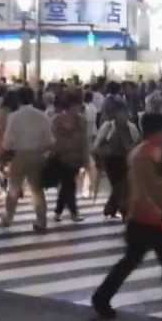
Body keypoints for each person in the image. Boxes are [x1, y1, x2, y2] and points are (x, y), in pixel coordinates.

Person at [92, 112, 162, 319]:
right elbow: (141, 191)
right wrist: (159, 215)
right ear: (158, 131)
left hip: (153, 216)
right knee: (159, 262)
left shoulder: (159, 151)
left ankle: (102, 297)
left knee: (146, 261)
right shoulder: (141, 156)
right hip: (145, 219)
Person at [1, 87, 54, 232]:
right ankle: (41, 221)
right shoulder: (42, 116)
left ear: (18, 99)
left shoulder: (13, 116)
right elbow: (49, 140)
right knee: (37, 190)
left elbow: (8, 141)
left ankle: (8, 218)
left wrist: (4, 153)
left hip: (19, 155)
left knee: (13, 188)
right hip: (38, 155)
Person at [94, 98, 139, 219]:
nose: (124, 115)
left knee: (123, 187)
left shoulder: (132, 127)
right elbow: (97, 145)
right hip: (112, 161)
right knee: (119, 186)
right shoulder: (108, 126)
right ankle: (124, 211)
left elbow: (137, 142)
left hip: (126, 160)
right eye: (121, 112)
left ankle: (111, 208)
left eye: (125, 112)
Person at [50, 90, 90, 222]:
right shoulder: (57, 120)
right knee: (69, 185)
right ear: (69, 105)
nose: (78, 108)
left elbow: (84, 142)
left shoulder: (81, 121)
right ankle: (73, 212)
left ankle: (58, 212)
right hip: (60, 157)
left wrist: (86, 160)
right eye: (76, 105)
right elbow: (53, 139)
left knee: (67, 185)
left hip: (75, 158)